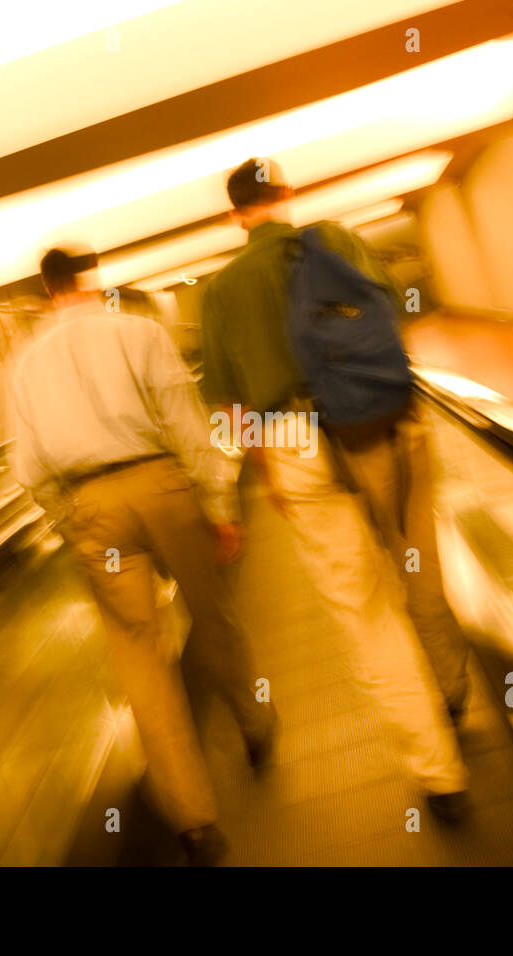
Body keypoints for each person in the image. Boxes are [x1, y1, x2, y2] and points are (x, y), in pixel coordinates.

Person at [197, 158, 472, 821]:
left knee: (364, 610)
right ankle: (452, 691)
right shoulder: (336, 241)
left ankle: (440, 776)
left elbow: (228, 407)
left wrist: (268, 474)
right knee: (419, 571)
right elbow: (393, 319)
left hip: (293, 443)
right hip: (378, 423)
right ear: (286, 194)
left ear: (234, 215)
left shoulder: (221, 290)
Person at [8, 248, 276, 865]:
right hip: (163, 485)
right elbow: (186, 423)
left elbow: (28, 467)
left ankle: (195, 822)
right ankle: (254, 723)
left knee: (139, 658)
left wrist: (70, 516)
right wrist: (219, 505)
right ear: (90, 282)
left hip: (91, 505)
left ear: (48, 290)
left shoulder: (24, 362)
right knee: (212, 613)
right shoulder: (139, 331)